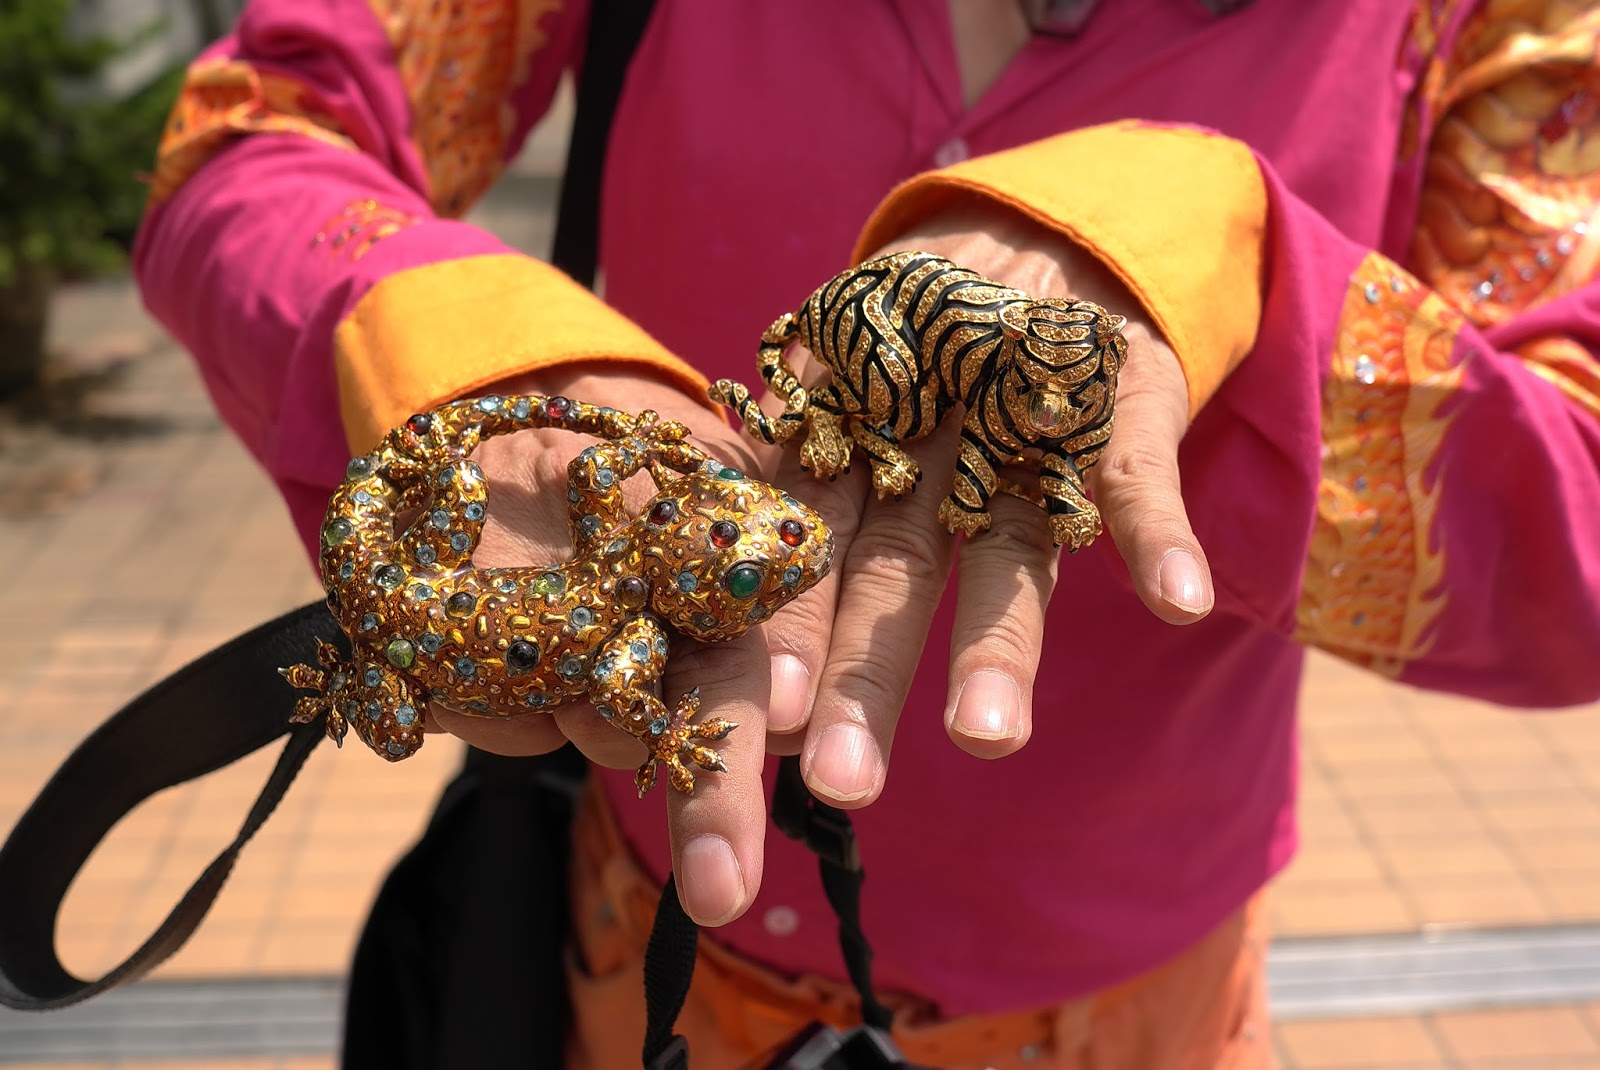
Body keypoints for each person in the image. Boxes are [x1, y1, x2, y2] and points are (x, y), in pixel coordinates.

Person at [133, 1, 1600, 1066]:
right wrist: (478, 363)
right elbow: (257, 132)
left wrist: (1217, 262)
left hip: (1126, 1010)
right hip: (634, 957)